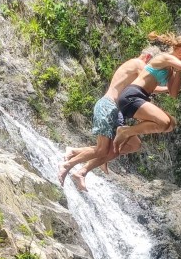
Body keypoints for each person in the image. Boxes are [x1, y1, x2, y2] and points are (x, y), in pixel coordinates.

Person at [57, 48, 167, 192]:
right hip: (107, 106)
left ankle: (78, 163)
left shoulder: (136, 71)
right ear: (147, 57)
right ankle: (68, 164)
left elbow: (145, 88)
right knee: (103, 149)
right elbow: (150, 85)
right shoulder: (137, 63)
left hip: (117, 112)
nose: (151, 71)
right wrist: (168, 89)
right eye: (152, 66)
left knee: (130, 146)